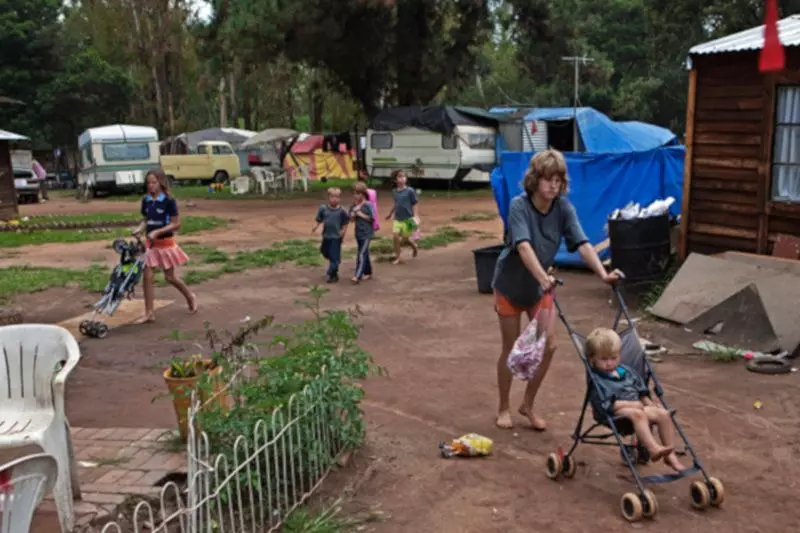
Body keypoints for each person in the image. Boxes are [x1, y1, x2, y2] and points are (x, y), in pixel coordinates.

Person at [491, 149, 622, 431]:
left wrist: (602, 274)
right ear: (535, 180)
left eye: (559, 180)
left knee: (548, 346)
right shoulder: (519, 206)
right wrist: (541, 276)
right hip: (511, 286)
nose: (554, 185)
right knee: (511, 350)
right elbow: (524, 246)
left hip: (539, 289)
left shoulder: (563, 208)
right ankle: (503, 406)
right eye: (548, 179)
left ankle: (527, 404)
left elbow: (583, 243)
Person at [586, 327, 685, 472]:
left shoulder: (627, 372)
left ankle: (671, 456)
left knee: (663, 414)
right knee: (637, 414)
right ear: (592, 358)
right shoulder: (597, 379)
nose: (609, 363)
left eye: (614, 358)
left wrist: (649, 404)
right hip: (614, 413)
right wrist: (633, 405)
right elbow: (606, 405)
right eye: (604, 359)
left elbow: (642, 392)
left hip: (638, 407)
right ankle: (653, 449)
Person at [133, 168, 196, 323]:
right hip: (151, 245)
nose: (151, 186)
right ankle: (149, 313)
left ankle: (190, 295)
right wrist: (139, 229)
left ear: (161, 183)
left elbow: (176, 224)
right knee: (147, 276)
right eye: (148, 183)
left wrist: (158, 232)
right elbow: (146, 219)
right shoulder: (146, 200)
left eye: (154, 182)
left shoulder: (169, 201)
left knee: (169, 277)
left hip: (166, 244)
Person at [313, 187, 350, 283]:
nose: (335, 199)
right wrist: (316, 226)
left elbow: (345, 223)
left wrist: (343, 232)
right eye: (332, 197)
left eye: (337, 197)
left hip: (336, 237)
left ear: (340, 198)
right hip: (326, 236)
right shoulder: (323, 208)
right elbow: (319, 219)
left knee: (334, 257)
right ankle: (334, 268)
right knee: (324, 251)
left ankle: (332, 273)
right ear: (328, 197)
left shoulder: (342, 211)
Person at [384, 169, 419, 265]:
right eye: (400, 176)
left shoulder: (410, 191)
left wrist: (415, 216)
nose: (403, 178)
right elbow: (396, 203)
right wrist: (390, 213)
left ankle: (414, 246)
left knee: (405, 239)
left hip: (409, 220)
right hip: (397, 219)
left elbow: (415, 204)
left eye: (404, 176)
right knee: (395, 237)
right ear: (395, 180)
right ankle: (398, 257)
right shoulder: (394, 191)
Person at [349, 182, 375, 283]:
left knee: (361, 254)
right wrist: (353, 214)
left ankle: (357, 275)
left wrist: (360, 213)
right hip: (358, 233)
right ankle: (368, 272)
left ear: (363, 194)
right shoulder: (353, 206)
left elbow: (372, 219)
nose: (355, 196)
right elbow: (351, 220)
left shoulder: (368, 205)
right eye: (354, 193)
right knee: (364, 253)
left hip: (367, 233)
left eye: (357, 193)